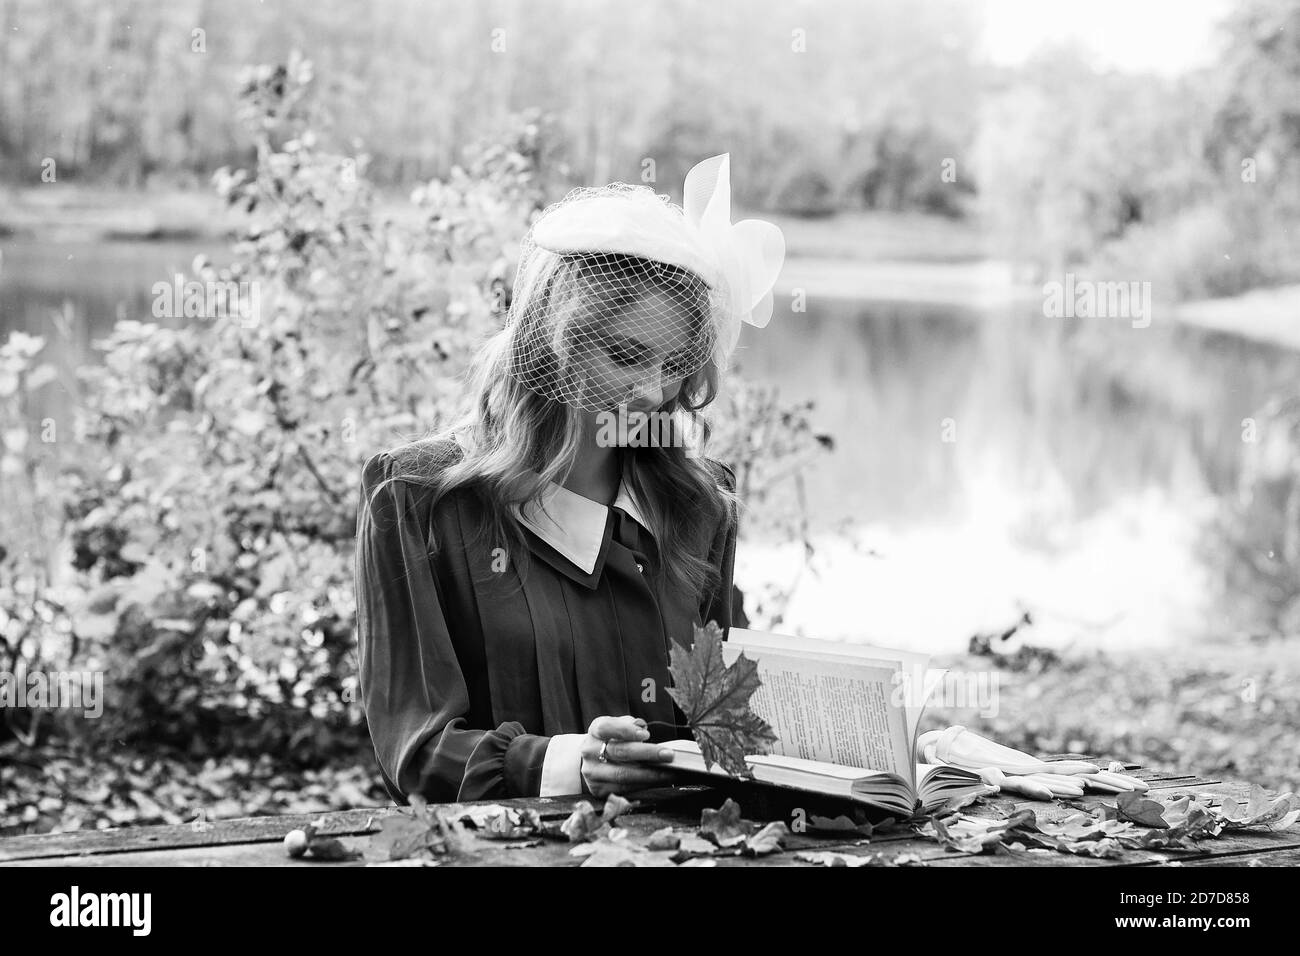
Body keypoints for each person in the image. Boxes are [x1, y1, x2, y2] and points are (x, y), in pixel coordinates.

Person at [354, 154, 785, 803]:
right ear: (550, 337)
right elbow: (417, 750)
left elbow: (728, 718)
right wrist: (566, 765)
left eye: (675, 364)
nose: (652, 392)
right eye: (626, 355)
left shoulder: (700, 509)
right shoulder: (419, 501)